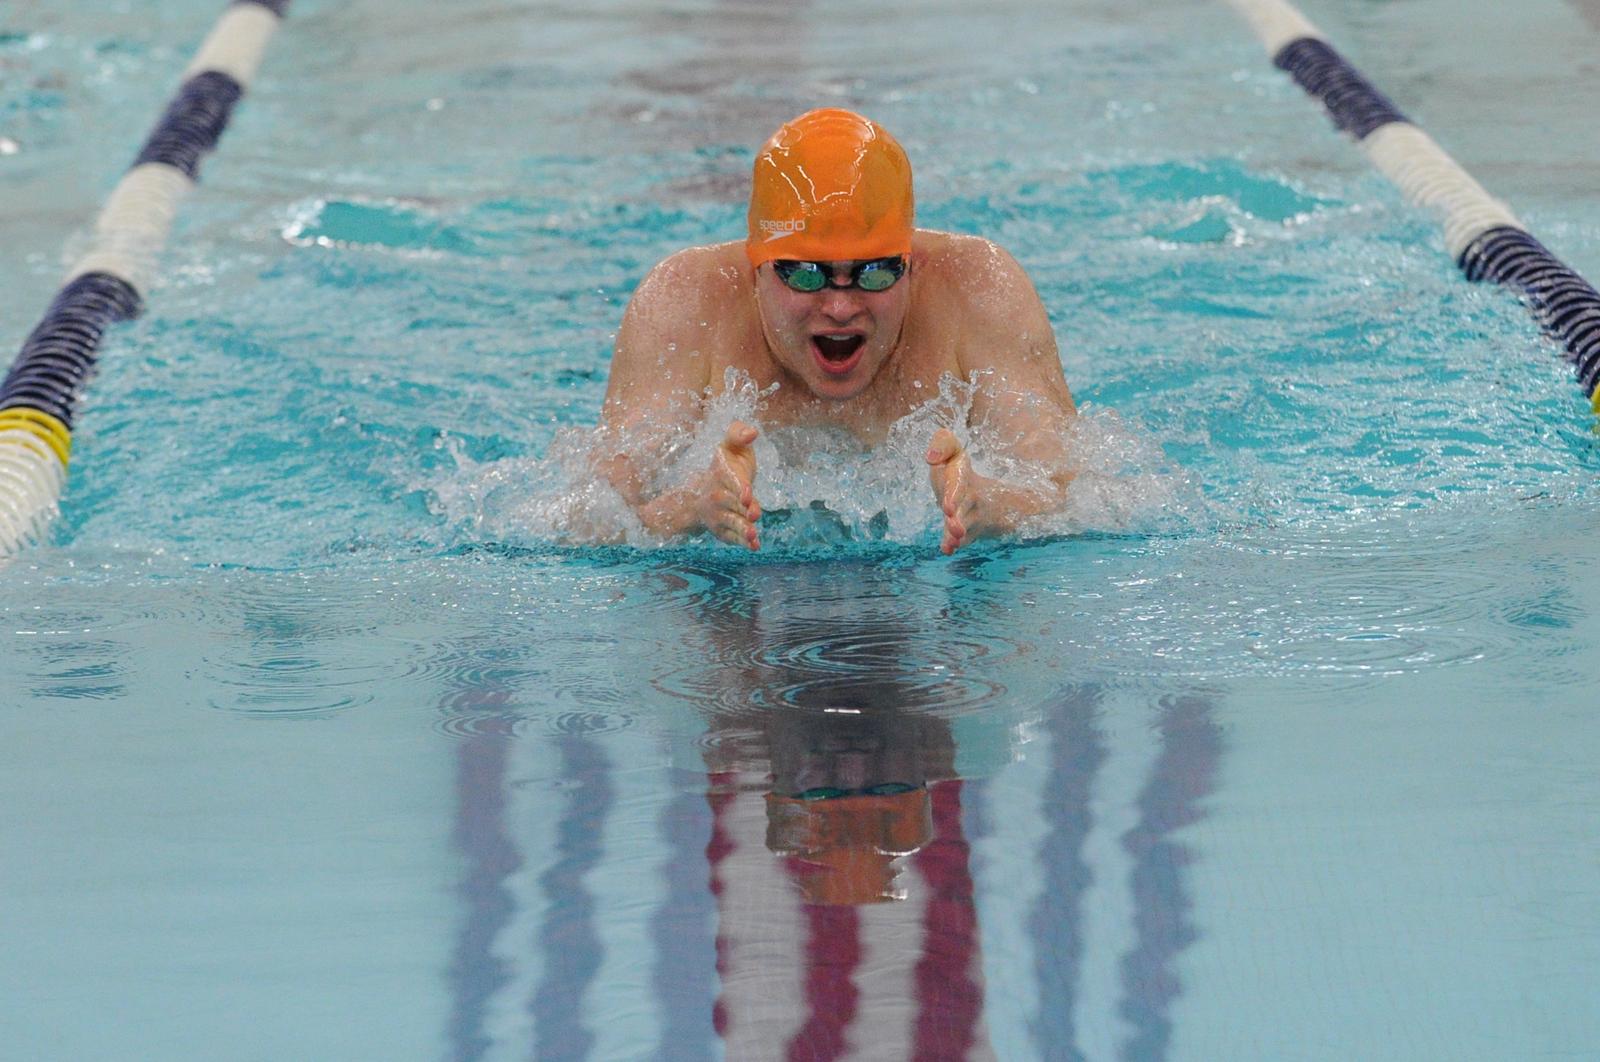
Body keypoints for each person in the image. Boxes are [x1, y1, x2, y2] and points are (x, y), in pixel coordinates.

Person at [595, 107, 1076, 554]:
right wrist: (691, 508)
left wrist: (992, 505)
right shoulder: (684, 302)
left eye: (876, 273)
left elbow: (1077, 495)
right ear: (755, 269)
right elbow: (584, 520)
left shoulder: (980, 289)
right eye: (805, 274)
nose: (842, 306)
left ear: (912, 265)